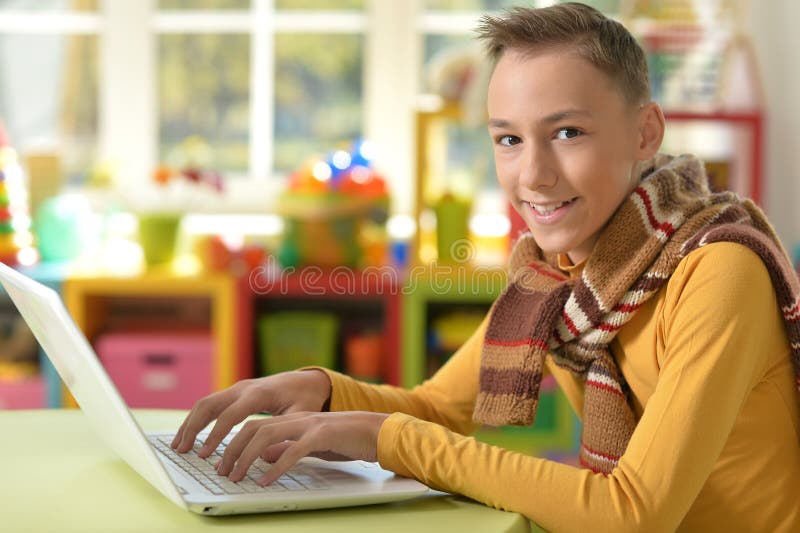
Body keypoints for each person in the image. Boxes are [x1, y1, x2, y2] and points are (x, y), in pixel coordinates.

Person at [171, 3, 800, 530]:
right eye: (509, 139)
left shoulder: (716, 269)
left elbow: (633, 513)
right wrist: (324, 390)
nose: (533, 175)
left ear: (645, 133)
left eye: (569, 132)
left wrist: (389, 437)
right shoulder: (560, 274)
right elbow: (438, 409)